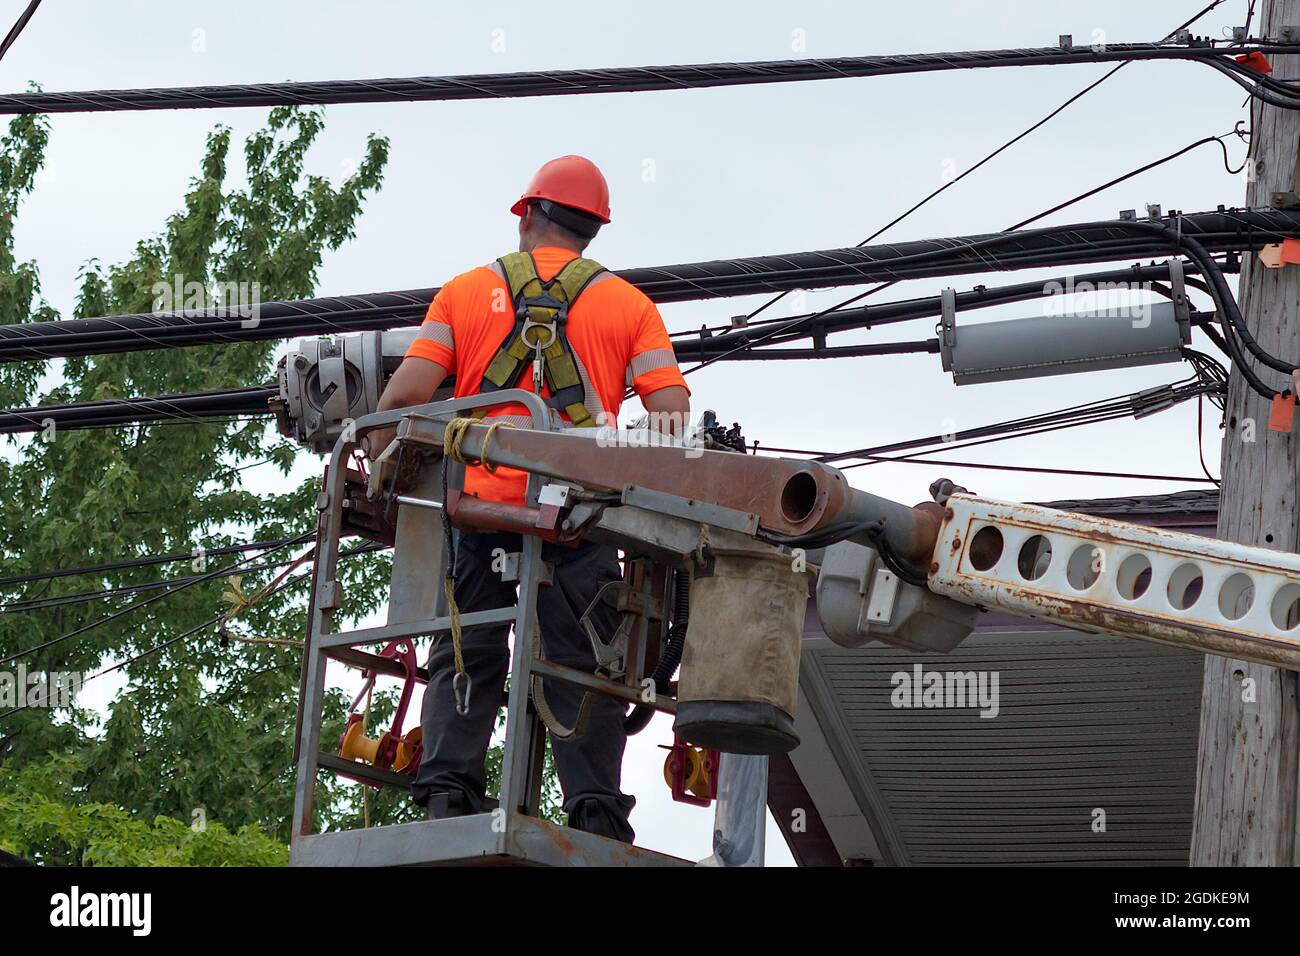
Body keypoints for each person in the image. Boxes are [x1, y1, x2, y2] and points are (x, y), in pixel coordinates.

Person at [365, 155, 690, 843]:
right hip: (576, 513)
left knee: (469, 647)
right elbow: (670, 414)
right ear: (594, 232)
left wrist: (378, 448)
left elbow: (406, 398)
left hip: (481, 508)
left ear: (527, 215)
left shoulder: (464, 293)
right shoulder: (629, 306)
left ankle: (449, 796)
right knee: (582, 658)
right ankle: (595, 811)